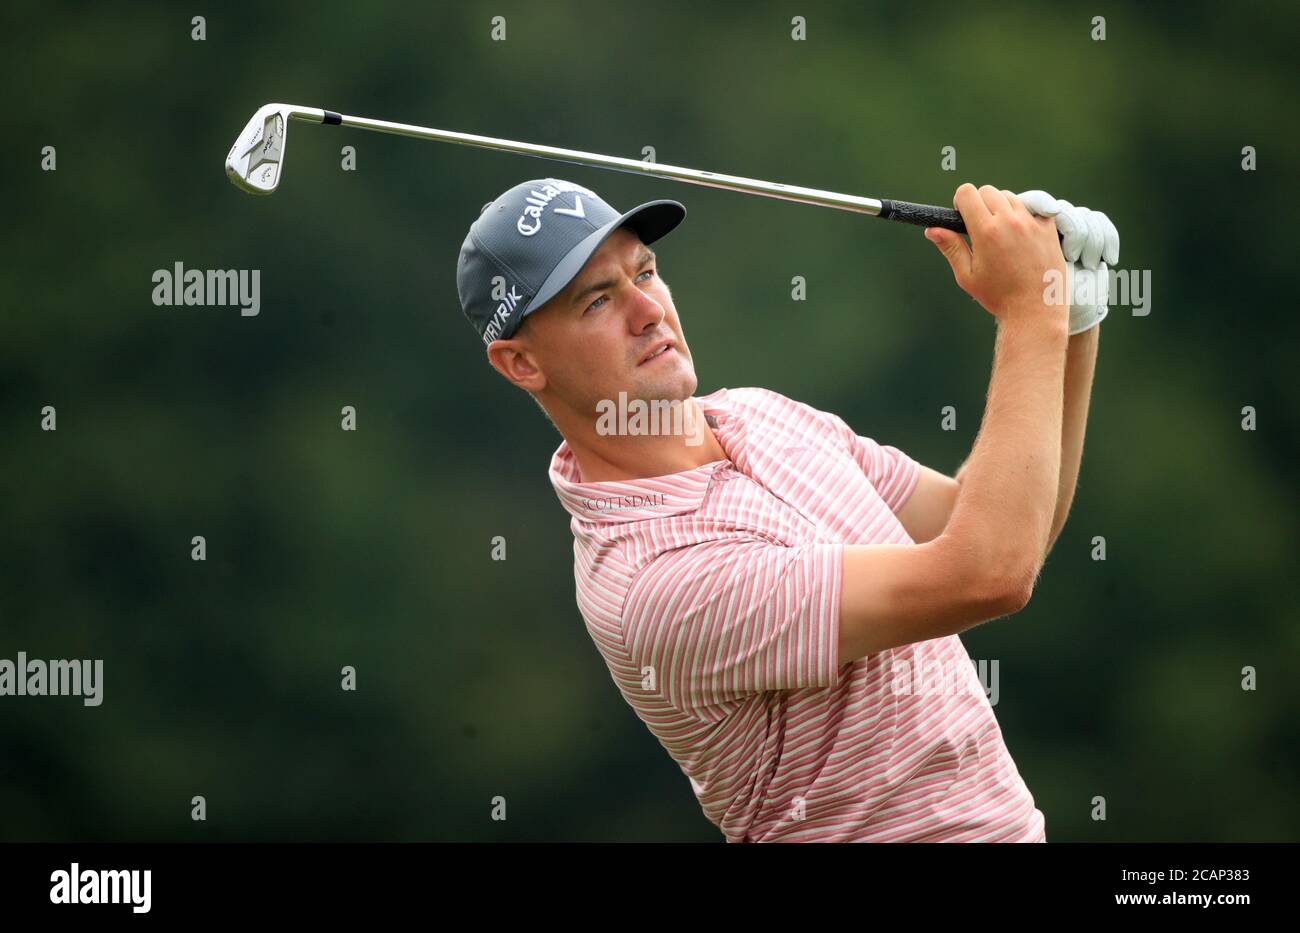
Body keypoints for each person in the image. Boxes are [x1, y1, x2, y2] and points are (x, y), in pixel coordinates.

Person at [455, 177, 1119, 842]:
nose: (647, 309)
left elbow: (999, 520)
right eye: (597, 300)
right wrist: (1031, 314)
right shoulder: (652, 580)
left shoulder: (757, 413)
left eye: (645, 272)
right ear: (520, 363)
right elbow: (989, 571)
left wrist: (1071, 324)